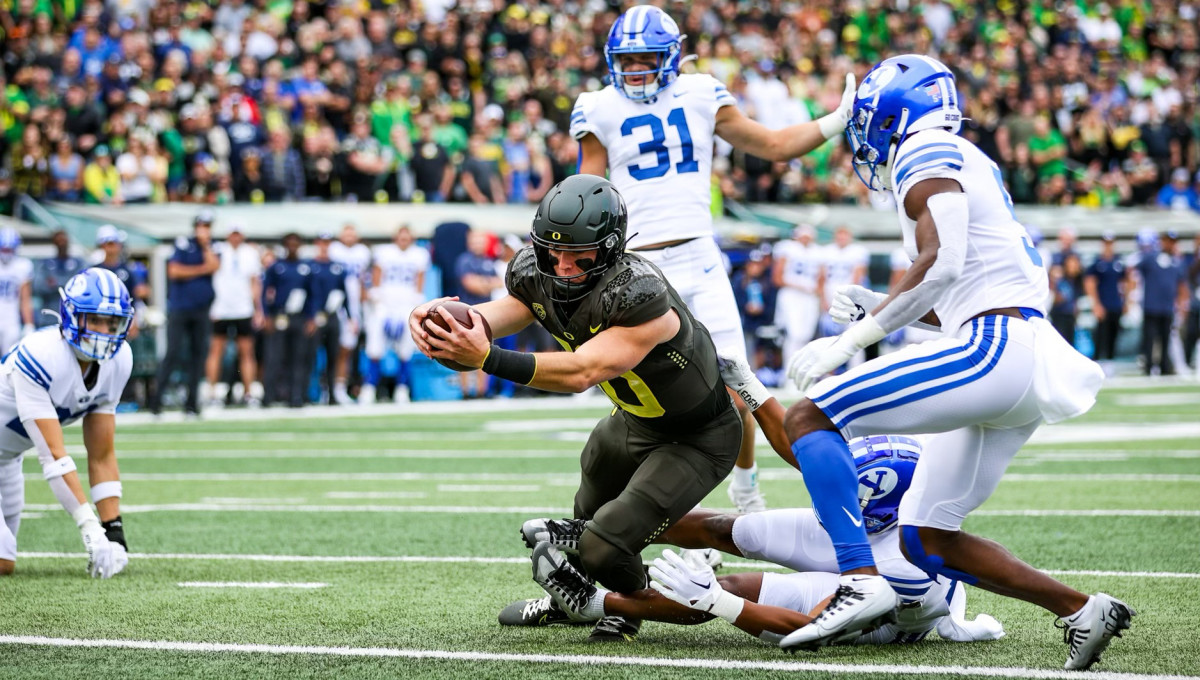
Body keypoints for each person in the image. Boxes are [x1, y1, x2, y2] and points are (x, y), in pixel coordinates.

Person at [775, 55, 1131, 669]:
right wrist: (878, 308)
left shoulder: (924, 148)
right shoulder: (966, 158)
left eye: (868, 118)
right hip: (1013, 348)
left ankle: (858, 578)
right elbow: (958, 292)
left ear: (894, 112)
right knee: (923, 537)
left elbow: (943, 264)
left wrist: (851, 343)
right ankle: (1081, 608)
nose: (863, 133)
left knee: (810, 415)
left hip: (993, 349)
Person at [411, 175, 743, 643]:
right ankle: (574, 595)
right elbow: (497, 312)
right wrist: (435, 319)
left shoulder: (638, 293)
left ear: (610, 249)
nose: (563, 266)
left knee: (604, 544)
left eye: (579, 255)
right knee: (593, 483)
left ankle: (618, 607)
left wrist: (485, 358)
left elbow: (581, 372)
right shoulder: (537, 271)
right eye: (553, 252)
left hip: (696, 436)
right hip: (632, 422)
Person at [572, 6, 855, 512]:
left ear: (672, 57)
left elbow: (770, 144)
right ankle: (661, 504)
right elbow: (587, 188)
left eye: (647, 57)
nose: (636, 68)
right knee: (661, 398)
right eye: (627, 58)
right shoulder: (598, 106)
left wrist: (835, 121)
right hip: (636, 270)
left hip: (699, 257)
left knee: (738, 381)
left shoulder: (700, 92)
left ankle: (746, 488)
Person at [518, 438, 1004, 649]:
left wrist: (719, 603)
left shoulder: (911, 567)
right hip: (866, 542)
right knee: (726, 530)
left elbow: (808, 628)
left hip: (880, 612)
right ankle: (593, 533)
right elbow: (802, 441)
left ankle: (595, 603)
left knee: (734, 585)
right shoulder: (897, 490)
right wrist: (750, 387)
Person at [0, 268, 134, 578]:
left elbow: (101, 454)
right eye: (95, 320)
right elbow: (53, 455)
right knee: (3, 562)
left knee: (4, 564)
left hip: (8, 460)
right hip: (12, 454)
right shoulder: (42, 354)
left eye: (112, 322)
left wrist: (114, 533)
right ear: (72, 316)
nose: (104, 331)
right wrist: (88, 526)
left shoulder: (119, 360)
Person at [150, 212, 219, 416]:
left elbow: (215, 266)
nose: (204, 230)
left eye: (207, 226)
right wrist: (201, 269)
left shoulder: (212, 247)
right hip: (180, 309)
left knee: (198, 356)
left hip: (201, 310)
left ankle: (191, 404)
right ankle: (156, 402)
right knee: (172, 354)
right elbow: (174, 271)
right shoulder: (183, 244)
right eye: (201, 226)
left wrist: (205, 247)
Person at [361, 225, 428, 404]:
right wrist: (377, 298)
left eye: (407, 236)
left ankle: (402, 388)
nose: (403, 240)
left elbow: (420, 279)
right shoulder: (384, 252)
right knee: (374, 347)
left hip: (406, 305)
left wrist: (416, 303)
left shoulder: (420, 254)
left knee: (406, 348)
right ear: (395, 237)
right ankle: (369, 387)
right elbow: (377, 275)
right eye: (401, 236)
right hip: (384, 304)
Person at [204, 222, 264, 408]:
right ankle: (212, 393)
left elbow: (255, 281)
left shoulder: (250, 253)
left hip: (243, 308)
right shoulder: (218, 250)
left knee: (246, 352)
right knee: (216, 351)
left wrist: (257, 309)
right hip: (221, 308)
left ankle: (249, 393)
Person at [261, 233, 312, 408]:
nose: (292, 246)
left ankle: (295, 396)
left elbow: (313, 294)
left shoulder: (305, 267)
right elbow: (265, 291)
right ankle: (268, 396)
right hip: (280, 315)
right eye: (289, 243)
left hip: (299, 317)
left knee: (298, 358)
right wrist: (266, 315)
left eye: (295, 243)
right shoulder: (277, 266)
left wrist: (311, 318)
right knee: (274, 357)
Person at [454, 229, 503, 398]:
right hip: (466, 313)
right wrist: (486, 283)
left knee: (486, 351)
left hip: (486, 314)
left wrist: (482, 283)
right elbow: (470, 284)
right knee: (463, 352)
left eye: (480, 241)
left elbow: (499, 283)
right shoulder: (464, 260)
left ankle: (482, 391)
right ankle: (466, 392)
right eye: (475, 240)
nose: (478, 244)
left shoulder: (489, 261)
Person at [1134, 230, 1189, 376]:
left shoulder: (1177, 261)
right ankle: (1148, 367)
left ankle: (1165, 366)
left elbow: (1182, 284)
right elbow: (1133, 271)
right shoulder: (1151, 257)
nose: (1170, 244)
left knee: (1166, 338)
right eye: (1168, 240)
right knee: (1149, 338)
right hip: (1151, 305)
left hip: (1167, 306)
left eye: (1173, 241)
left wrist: (1182, 304)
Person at [329, 223, 372, 404]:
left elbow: (363, 280)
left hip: (353, 307)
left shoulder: (362, 252)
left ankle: (340, 387)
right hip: (334, 304)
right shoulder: (333, 250)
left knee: (347, 349)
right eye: (346, 231)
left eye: (352, 232)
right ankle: (331, 388)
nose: (349, 235)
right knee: (332, 349)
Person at [773, 224, 824, 369]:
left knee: (806, 336)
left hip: (810, 297)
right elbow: (777, 277)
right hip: (791, 295)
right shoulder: (787, 248)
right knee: (794, 335)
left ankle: (802, 371)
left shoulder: (818, 252)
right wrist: (800, 286)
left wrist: (818, 294)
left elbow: (821, 277)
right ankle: (789, 373)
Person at [305, 232, 348, 404]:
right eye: (321, 242)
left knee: (333, 356)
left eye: (327, 242)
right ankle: (307, 393)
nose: (324, 246)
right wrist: (309, 317)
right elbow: (306, 294)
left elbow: (344, 294)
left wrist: (350, 317)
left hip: (332, 317)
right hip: (314, 317)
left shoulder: (337, 267)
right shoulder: (309, 266)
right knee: (309, 356)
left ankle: (331, 394)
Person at [1084, 232, 1128, 363]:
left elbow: (1126, 281)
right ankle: (1098, 360)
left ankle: (1110, 361)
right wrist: (1096, 304)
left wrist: (1126, 301)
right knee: (1101, 334)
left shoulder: (1119, 262)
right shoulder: (1097, 262)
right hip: (1103, 304)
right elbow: (1089, 283)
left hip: (1116, 304)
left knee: (1114, 334)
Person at [33, 230, 86, 326]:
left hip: (73, 317)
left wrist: (55, 283)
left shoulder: (79, 263)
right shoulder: (45, 264)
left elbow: (82, 286)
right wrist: (68, 282)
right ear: (54, 242)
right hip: (49, 317)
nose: (62, 243)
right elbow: (38, 286)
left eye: (63, 240)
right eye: (59, 240)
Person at [0, 228, 35, 354]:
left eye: (9, 249)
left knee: (9, 360)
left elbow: (25, 298)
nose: (6, 253)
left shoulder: (22, 265)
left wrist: (28, 323)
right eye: (3, 249)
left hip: (11, 320)